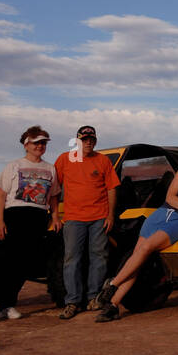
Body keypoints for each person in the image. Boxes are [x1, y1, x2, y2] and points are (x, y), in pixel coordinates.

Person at [93, 141, 178, 322]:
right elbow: (170, 197)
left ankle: (112, 285)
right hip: (160, 215)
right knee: (137, 260)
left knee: (146, 249)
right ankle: (113, 305)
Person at [0, 126, 60, 322]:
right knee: (4, 261)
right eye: (36, 142)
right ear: (26, 144)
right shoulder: (14, 166)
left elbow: (53, 196)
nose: (40, 146)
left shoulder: (50, 168)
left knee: (24, 263)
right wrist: (0, 222)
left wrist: (55, 217)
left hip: (37, 218)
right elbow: (0, 196)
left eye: (43, 143)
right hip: (13, 216)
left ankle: (9, 304)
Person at [54, 125, 121, 319]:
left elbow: (111, 188)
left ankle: (94, 298)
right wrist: (54, 215)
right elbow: (55, 189)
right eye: (84, 139)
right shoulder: (64, 159)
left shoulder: (102, 161)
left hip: (99, 217)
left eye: (91, 139)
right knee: (71, 260)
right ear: (77, 141)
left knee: (99, 257)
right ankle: (73, 302)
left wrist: (110, 216)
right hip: (73, 218)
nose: (88, 142)